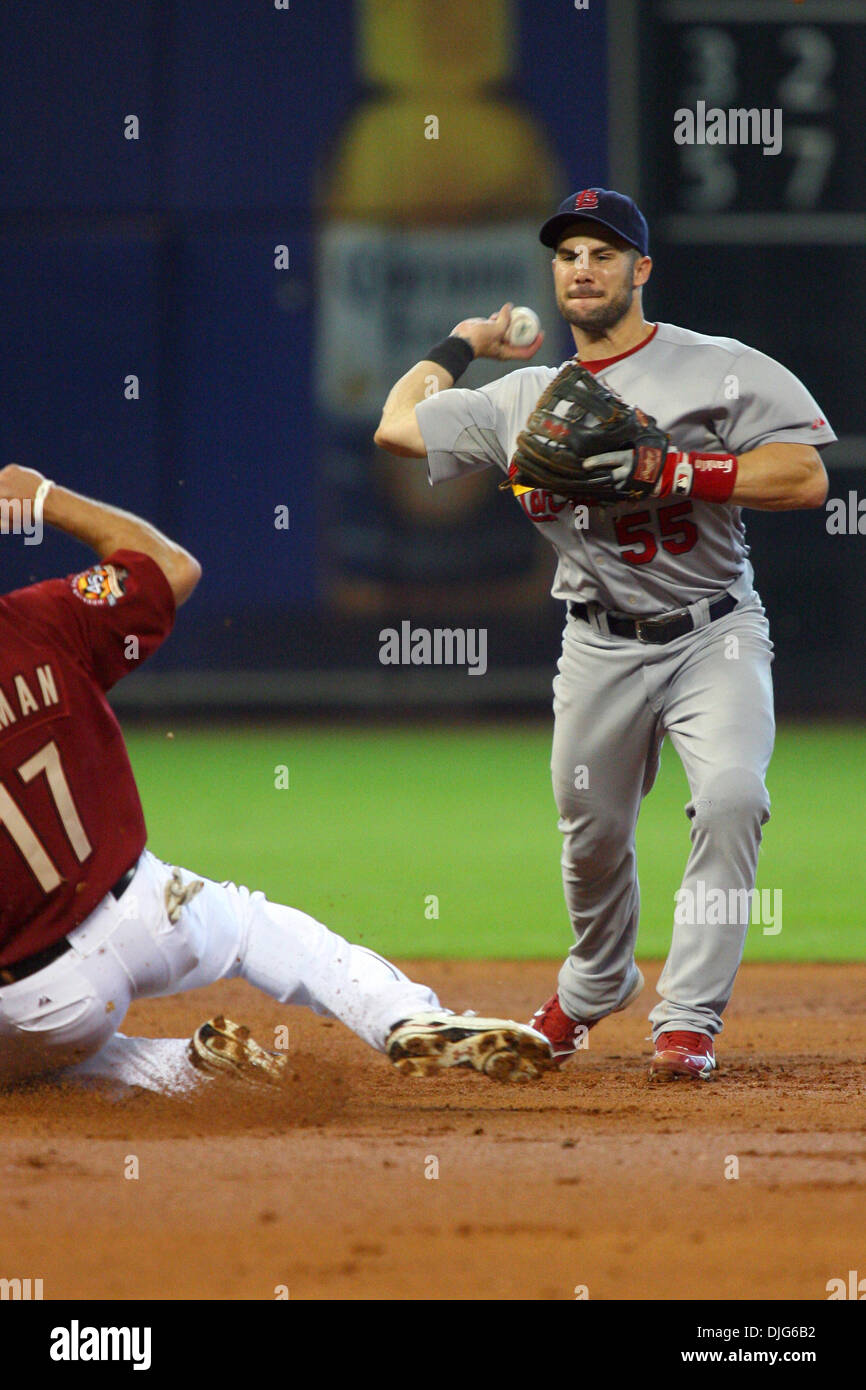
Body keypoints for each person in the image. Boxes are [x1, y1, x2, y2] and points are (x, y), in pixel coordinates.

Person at [374, 186, 835, 1081]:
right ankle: (593, 986)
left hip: (715, 633)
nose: (583, 269)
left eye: (603, 253)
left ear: (641, 270)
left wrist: (678, 467)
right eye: (568, 255)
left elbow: (805, 476)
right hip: (597, 645)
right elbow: (397, 426)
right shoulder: (519, 400)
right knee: (590, 835)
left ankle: (688, 1020)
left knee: (735, 797)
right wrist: (465, 342)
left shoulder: (718, 368)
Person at [0, 464, 552, 1094]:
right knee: (254, 927)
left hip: (32, 1004)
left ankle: (188, 1073)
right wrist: (46, 499)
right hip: (147, 912)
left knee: (38, 1065)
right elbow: (170, 566)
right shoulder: (37, 620)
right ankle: (406, 1015)